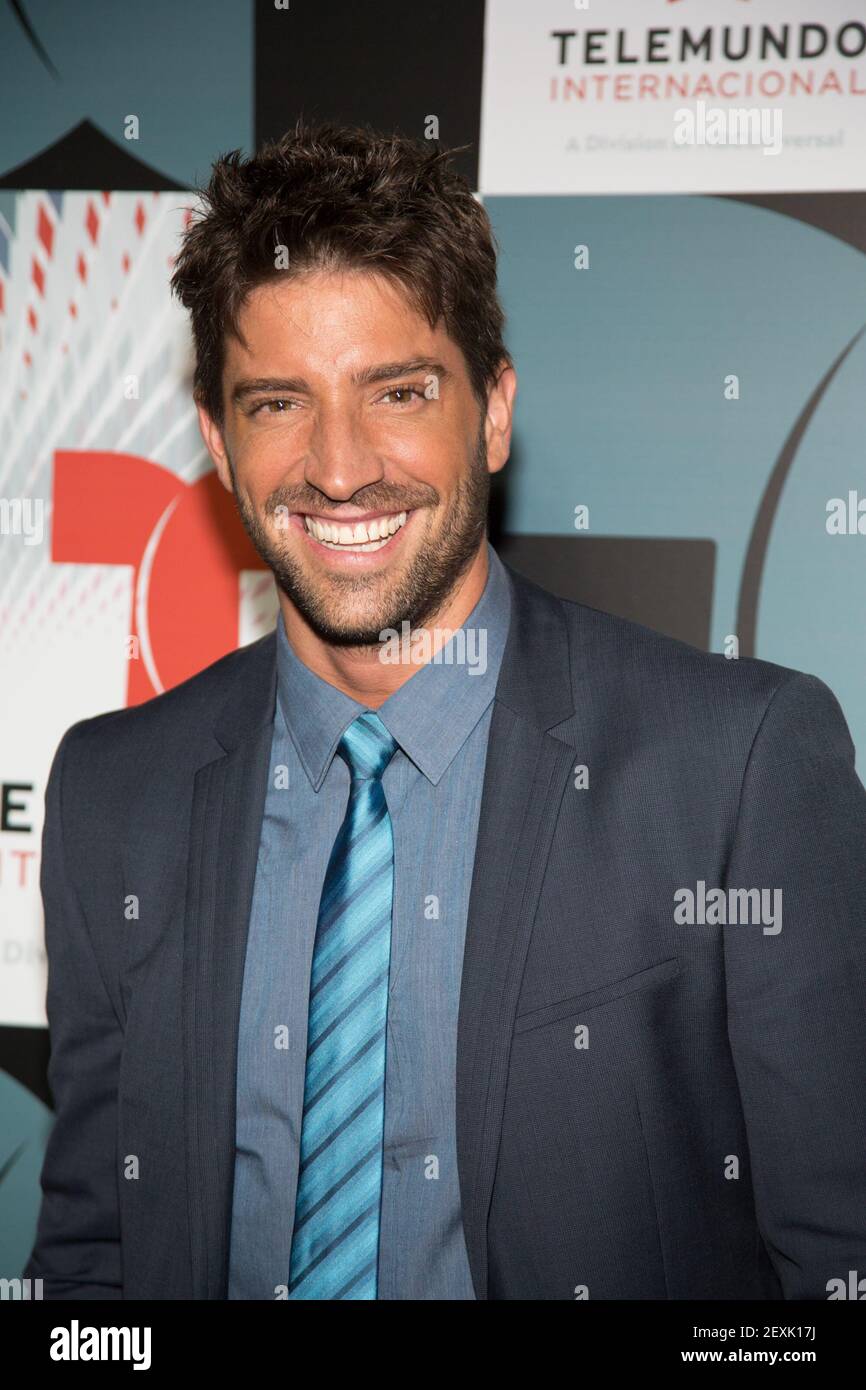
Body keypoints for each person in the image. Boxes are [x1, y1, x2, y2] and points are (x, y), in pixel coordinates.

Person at [24, 119, 866, 1300]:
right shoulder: (117, 793)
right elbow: (92, 1266)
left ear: (495, 410)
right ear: (216, 440)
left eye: (397, 390)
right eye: (278, 403)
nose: (339, 464)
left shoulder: (732, 769)